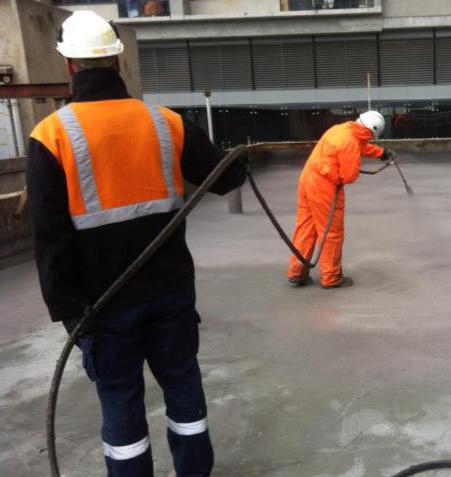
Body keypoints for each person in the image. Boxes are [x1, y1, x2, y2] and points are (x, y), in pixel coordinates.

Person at [26, 11, 247, 477]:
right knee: (183, 386)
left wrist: (69, 312)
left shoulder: (51, 135)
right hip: (169, 293)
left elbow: (49, 238)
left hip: (101, 305)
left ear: (69, 66)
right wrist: (234, 155)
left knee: (121, 402)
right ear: (118, 63)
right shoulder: (165, 122)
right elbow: (229, 178)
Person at [287, 111, 395, 289]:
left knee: (306, 227)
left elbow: (358, 146)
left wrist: (380, 153)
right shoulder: (350, 142)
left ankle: (297, 272)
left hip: (308, 178)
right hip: (324, 186)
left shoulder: (341, 130)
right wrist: (350, 166)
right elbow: (349, 176)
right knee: (331, 232)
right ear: (371, 131)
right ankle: (331, 277)